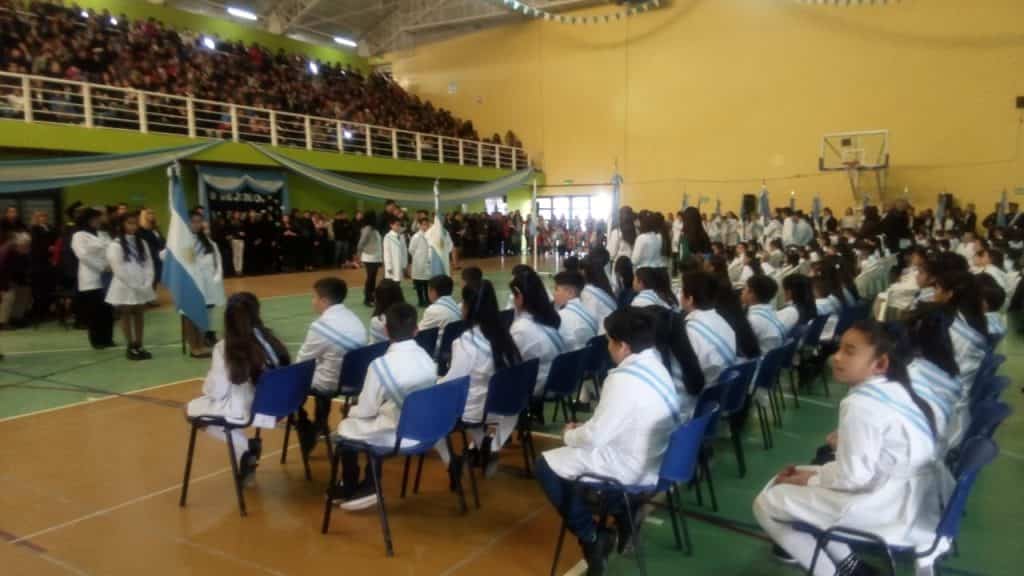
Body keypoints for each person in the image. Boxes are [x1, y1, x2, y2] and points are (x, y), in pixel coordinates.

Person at [753, 319, 944, 576]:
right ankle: (850, 566)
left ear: (880, 363)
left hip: (886, 506)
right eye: (840, 348)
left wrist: (812, 480)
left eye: (849, 351)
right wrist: (813, 475)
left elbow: (855, 477)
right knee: (802, 481)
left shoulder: (860, 405)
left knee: (766, 503)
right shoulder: (897, 388)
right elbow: (863, 468)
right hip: (907, 497)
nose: (837, 357)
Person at [535, 308, 680, 576]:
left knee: (545, 466)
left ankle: (591, 537)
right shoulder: (656, 365)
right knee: (578, 454)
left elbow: (595, 436)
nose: (608, 346)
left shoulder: (623, 379)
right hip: (657, 460)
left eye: (609, 341)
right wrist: (587, 429)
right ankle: (625, 513)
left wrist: (569, 434)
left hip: (630, 468)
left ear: (622, 346)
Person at [331, 302, 437, 511]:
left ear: (386, 331)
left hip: (401, 433)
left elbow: (366, 410)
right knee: (375, 420)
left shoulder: (380, 365)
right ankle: (366, 482)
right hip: (427, 428)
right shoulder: (426, 357)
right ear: (416, 329)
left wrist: (350, 411)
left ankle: (359, 484)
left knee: (345, 427)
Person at [186, 292, 290, 485]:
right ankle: (245, 451)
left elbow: (217, 391)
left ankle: (244, 450)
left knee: (191, 411)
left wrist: (207, 386)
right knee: (218, 408)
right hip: (279, 406)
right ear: (257, 313)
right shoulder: (271, 339)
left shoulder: (225, 347)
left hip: (249, 409)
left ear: (228, 318)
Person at [441, 280, 522, 474]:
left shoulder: (465, 342)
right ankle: (487, 445)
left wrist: (435, 382)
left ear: (467, 307)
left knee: (432, 401)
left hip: (475, 409)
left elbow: (453, 382)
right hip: (502, 404)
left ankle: (456, 457)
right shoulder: (503, 335)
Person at [293, 277, 368, 455]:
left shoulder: (321, 326)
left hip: (331, 382)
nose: (312, 301)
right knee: (324, 367)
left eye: (314, 297)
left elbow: (302, 362)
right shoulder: (354, 318)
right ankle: (320, 422)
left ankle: (306, 426)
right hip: (356, 379)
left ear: (324, 301)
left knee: (291, 381)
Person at [105, 212, 155, 360]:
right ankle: (130, 346)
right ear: (122, 225)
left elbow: (149, 263)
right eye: (129, 223)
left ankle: (139, 344)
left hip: (141, 283)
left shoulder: (142, 243)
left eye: (135, 223)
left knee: (139, 313)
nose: (133, 226)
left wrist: (148, 281)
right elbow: (117, 268)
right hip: (124, 285)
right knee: (125, 314)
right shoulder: (115, 245)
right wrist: (133, 284)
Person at [509, 267, 566, 397]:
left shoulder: (521, 328)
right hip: (557, 380)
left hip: (538, 386)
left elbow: (511, 363)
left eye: (514, 296)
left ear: (520, 297)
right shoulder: (549, 318)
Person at [680, 271, 737, 388]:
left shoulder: (689, 330)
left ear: (690, 299)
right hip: (724, 388)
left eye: (681, 292)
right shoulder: (722, 320)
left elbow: (685, 375)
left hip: (705, 391)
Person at [71, 208, 114, 349]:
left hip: (108, 276)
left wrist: (112, 265)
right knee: (94, 311)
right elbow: (83, 255)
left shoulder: (103, 234)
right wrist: (102, 267)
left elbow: (112, 250)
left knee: (107, 310)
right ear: (88, 220)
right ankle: (97, 341)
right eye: (96, 218)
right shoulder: (79, 235)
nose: (99, 221)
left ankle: (108, 338)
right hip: (91, 276)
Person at [186, 210, 226, 358]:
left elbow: (217, 260)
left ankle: (202, 343)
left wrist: (217, 277)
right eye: (193, 221)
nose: (197, 224)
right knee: (191, 315)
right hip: (191, 283)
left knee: (205, 313)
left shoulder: (207, 241)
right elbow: (165, 255)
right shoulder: (181, 241)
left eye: (199, 221)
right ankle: (194, 346)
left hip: (207, 283)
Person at [553, 270, 599, 351]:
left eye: (556, 289)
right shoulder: (590, 313)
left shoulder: (561, 317)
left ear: (570, 292)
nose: (554, 294)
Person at [743, 274, 787, 352]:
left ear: (751, 293)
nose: (742, 292)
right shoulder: (773, 313)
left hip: (761, 357)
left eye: (744, 289)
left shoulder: (753, 320)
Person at [579, 250, 617, 335]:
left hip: (602, 334)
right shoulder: (605, 283)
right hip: (611, 330)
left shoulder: (588, 292)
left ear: (585, 272)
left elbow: (587, 321)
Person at [357, 211, 383, 307]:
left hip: (376, 257)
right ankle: (367, 298)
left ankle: (371, 297)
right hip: (369, 257)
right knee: (370, 278)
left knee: (373, 278)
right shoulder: (367, 229)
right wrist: (358, 254)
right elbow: (361, 242)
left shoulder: (374, 229)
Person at [408, 218, 431, 306]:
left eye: (427, 224)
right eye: (424, 224)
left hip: (428, 262)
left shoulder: (430, 235)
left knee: (427, 283)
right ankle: (421, 300)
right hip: (418, 263)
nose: (426, 226)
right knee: (419, 283)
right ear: (420, 225)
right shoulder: (416, 236)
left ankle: (428, 299)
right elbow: (411, 249)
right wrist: (418, 256)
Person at [382, 215, 408, 284]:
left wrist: (404, 264)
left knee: (398, 283)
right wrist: (388, 266)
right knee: (391, 283)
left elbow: (404, 251)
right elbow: (386, 253)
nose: (398, 227)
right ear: (391, 225)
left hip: (400, 264)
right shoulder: (388, 237)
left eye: (399, 225)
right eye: (396, 225)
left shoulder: (401, 236)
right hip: (392, 265)